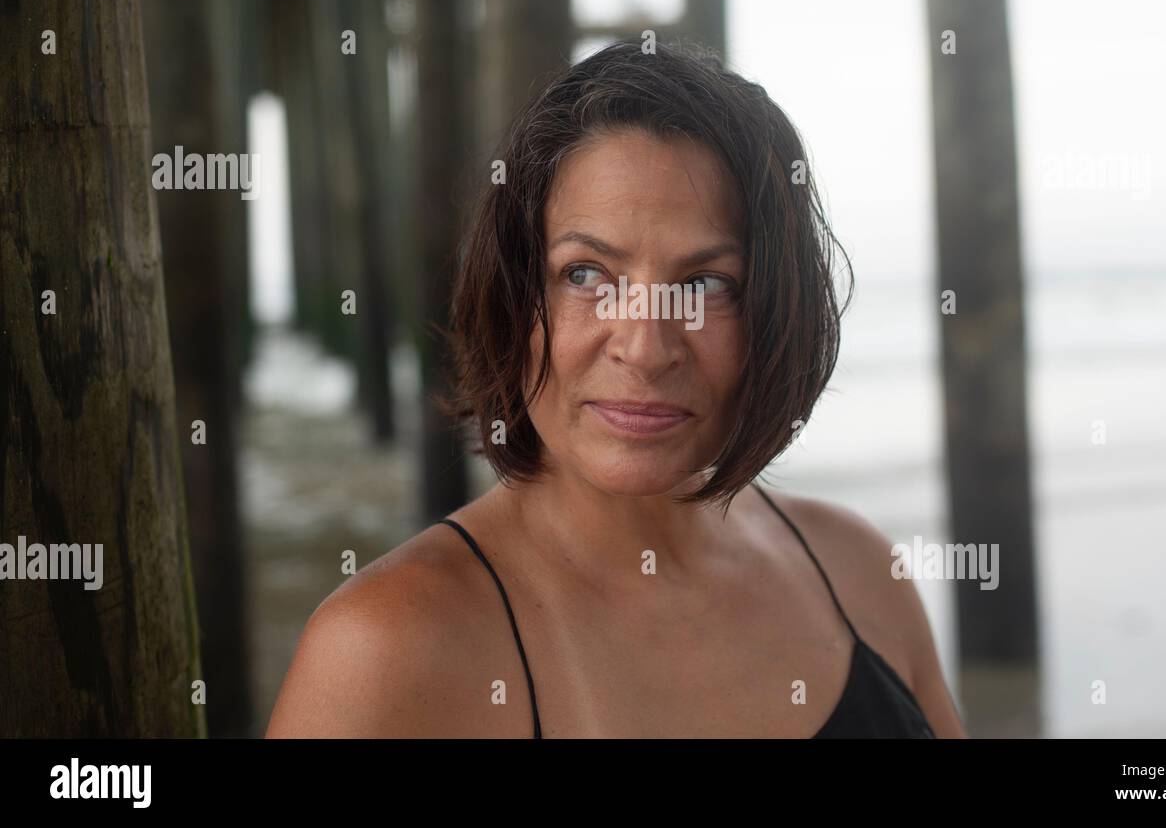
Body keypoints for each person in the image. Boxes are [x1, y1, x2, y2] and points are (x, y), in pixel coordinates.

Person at [266, 40, 967, 738]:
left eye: (704, 285)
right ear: (515, 299)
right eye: (587, 275)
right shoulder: (384, 651)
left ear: (776, 315)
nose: (644, 347)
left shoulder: (860, 574)